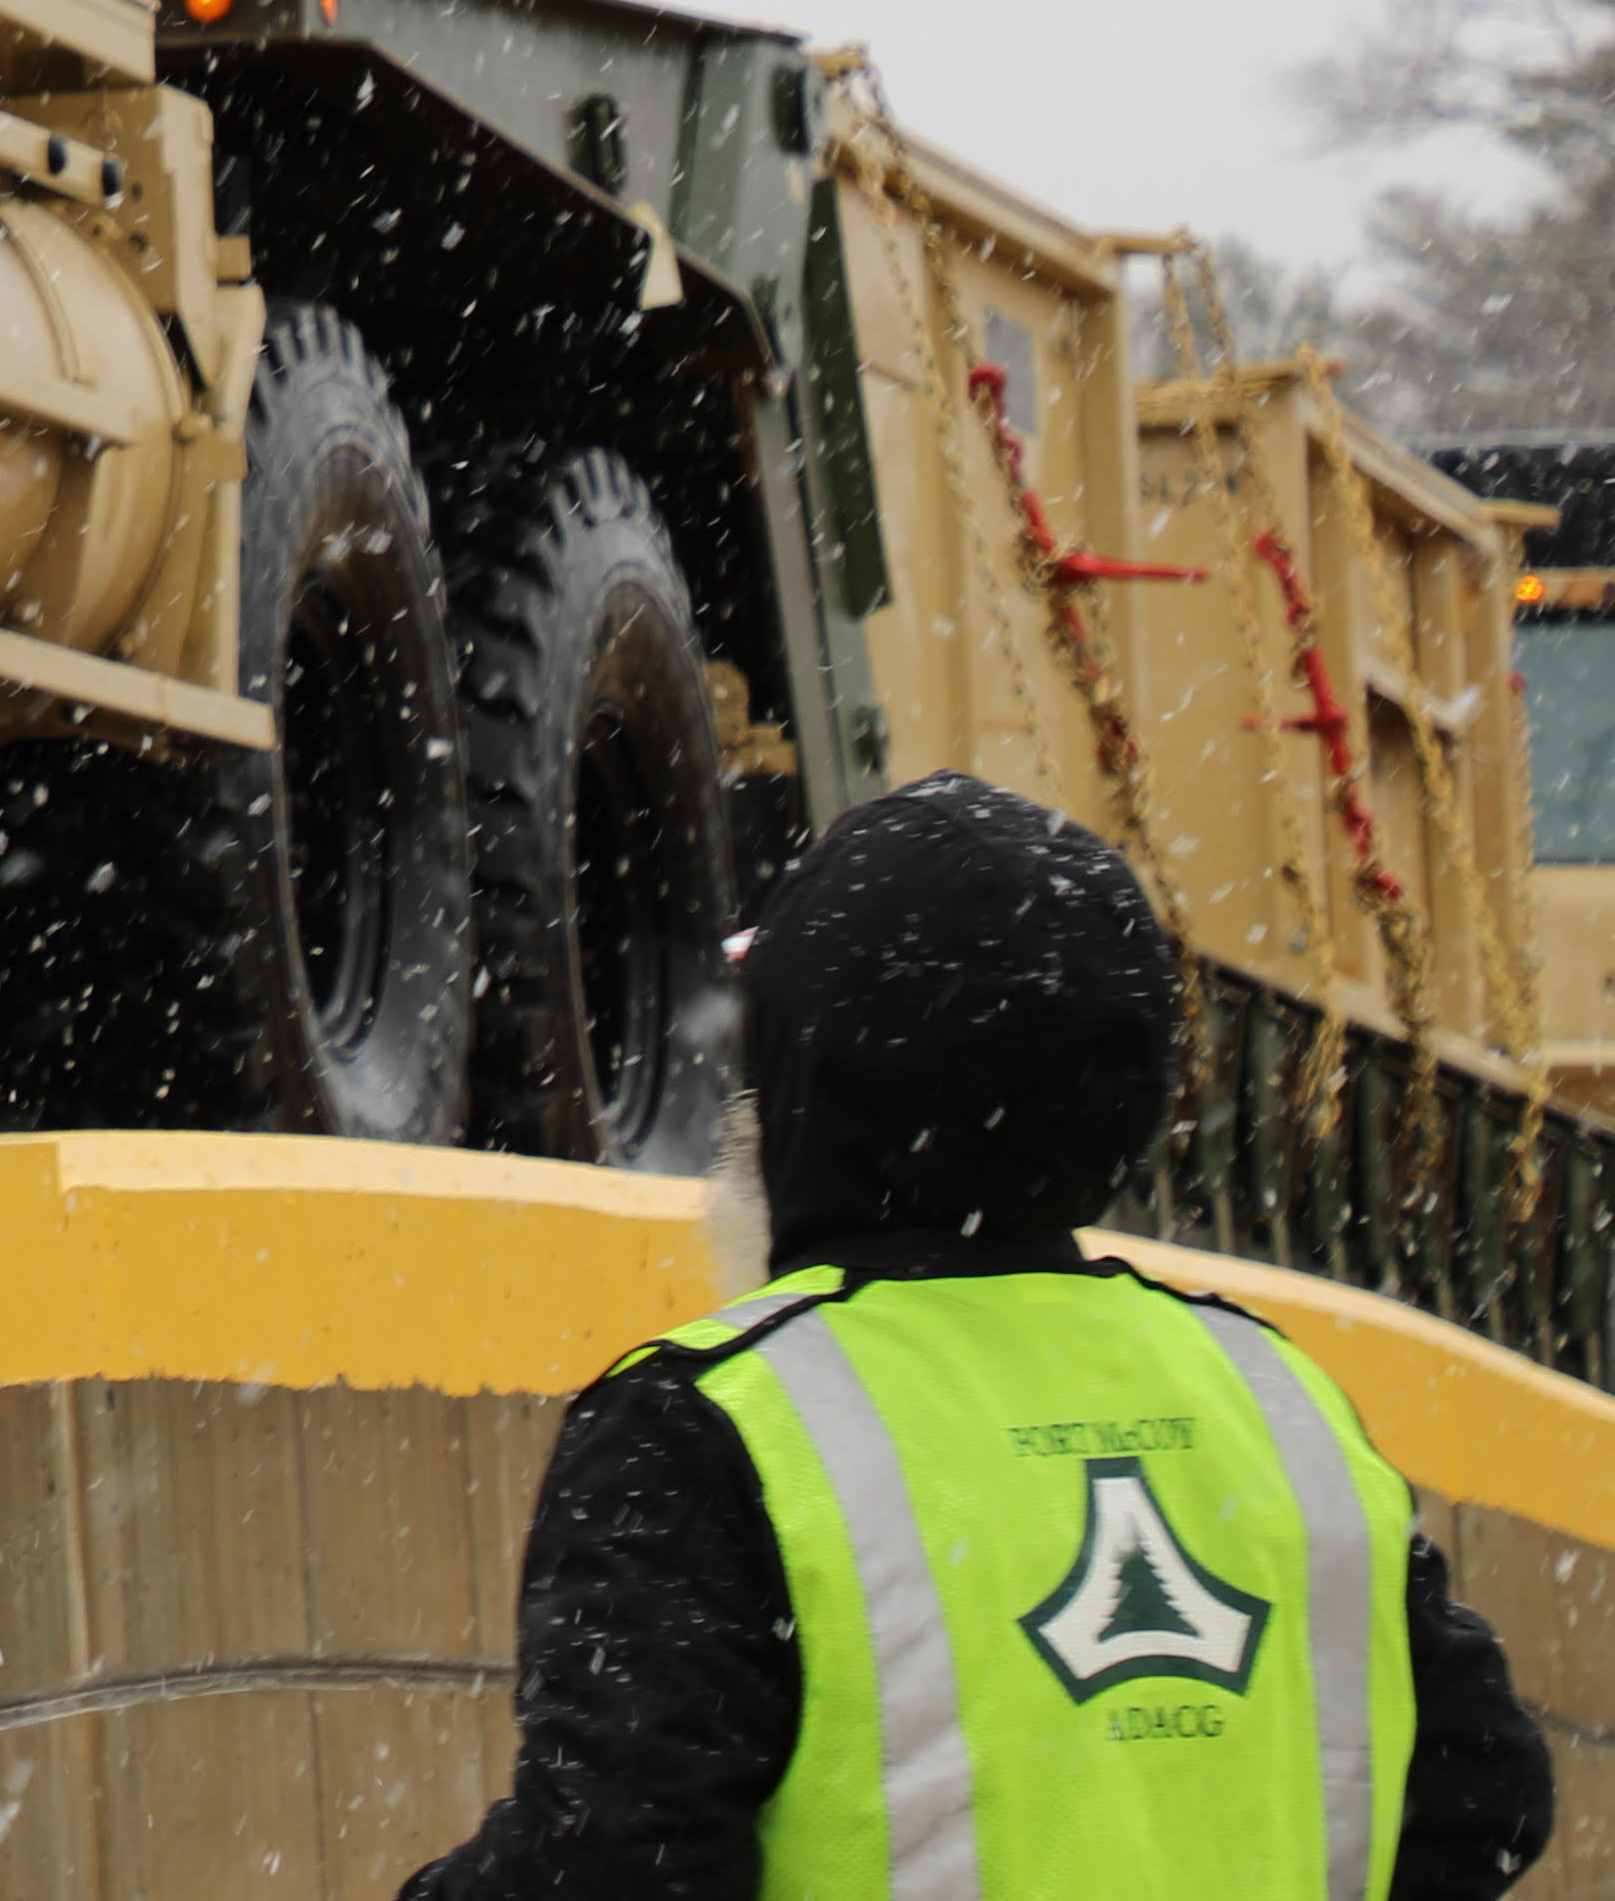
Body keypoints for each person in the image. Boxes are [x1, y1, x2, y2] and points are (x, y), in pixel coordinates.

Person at [405, 770, 1551, 1898]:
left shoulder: (703, 1431)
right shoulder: (1276, 1399)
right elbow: (1485, 1795)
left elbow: (615, 1868)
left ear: (808, 1082)